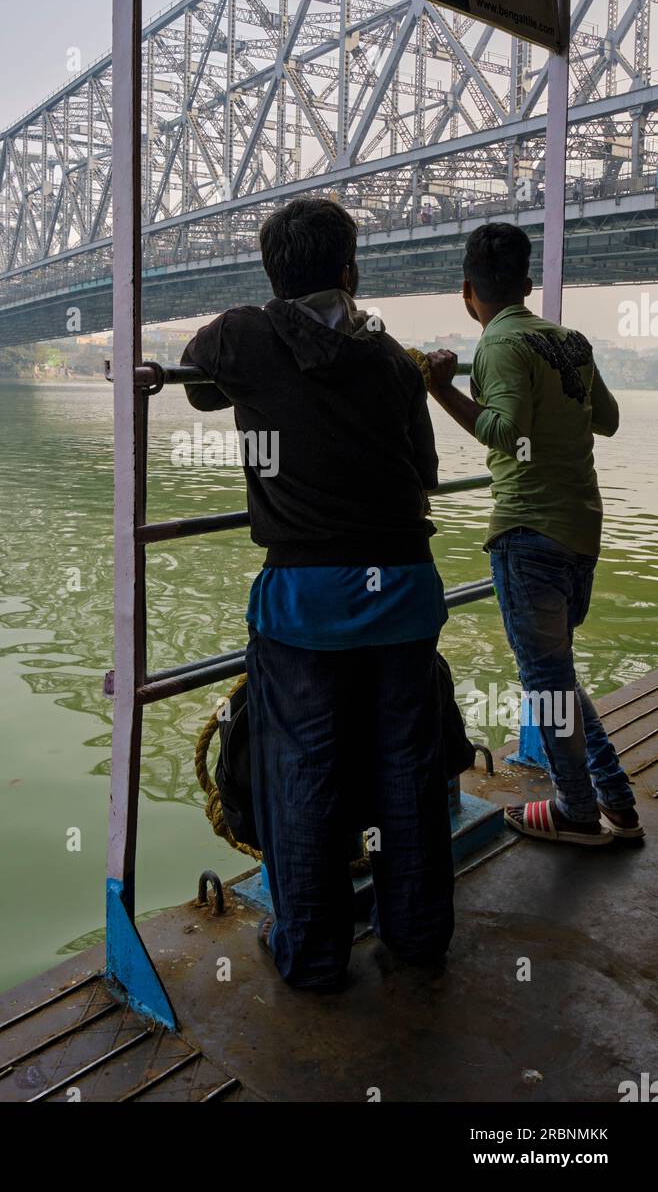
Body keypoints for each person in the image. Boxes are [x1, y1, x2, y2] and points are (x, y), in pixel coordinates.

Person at [181, 197, 454, 992]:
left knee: (304, 769)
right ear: (349, 269)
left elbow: (200, 389)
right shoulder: (397, 361)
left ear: (273, 272)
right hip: (403, 588)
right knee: (408, 766)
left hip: (306, 597)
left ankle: (312, 954)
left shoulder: (241, 334)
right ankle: (418, 938)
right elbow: (426, 476)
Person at [425, 221, 643, 847]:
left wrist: (441, 389)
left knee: (547, 682)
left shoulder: (497, 345)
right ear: (525, 283)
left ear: (468, 290)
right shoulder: (570, 340)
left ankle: (577, 812)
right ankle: (617, 804)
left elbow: (503, 432)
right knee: (558, 677)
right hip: (582, 529)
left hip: (527, 531)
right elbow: (607, 418)